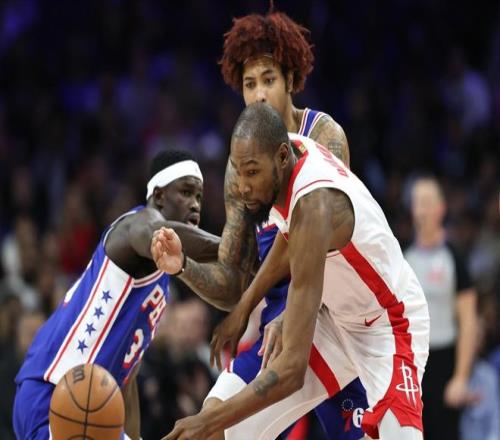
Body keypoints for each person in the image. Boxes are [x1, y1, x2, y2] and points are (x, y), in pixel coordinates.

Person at [157, 102, 430, 440]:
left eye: (251, 173)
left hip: (389, 326)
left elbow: (291, 371)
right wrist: (245, 306)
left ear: (282, 158)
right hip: (335, 319)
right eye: (238, 172)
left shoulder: (315, 207)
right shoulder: (288, 150)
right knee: (221, 426)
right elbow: (287, 239)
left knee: (212, 422)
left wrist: (206, 422)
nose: (243, 187)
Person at [175, 8, 367, 439]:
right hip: (279, 327)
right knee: (212, 426)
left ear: (291, 80)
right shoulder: (240, 165)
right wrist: (181, 265)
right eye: (249, 84)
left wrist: (286, 315)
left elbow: (321, 248)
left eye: (268, 80)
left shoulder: (324, 136)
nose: (259, 94)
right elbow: (231, 277)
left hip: (337, 315)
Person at [13, 149, 222, 440]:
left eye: (199, 196)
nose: (195, 204)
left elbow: (128, 375)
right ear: (159, 195)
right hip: (53, 394)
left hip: (92, 402)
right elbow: (159, 232)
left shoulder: (162, 282)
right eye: (186, 192)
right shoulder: (135, 224)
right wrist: (233, 247)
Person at [405, 177, 479, 440]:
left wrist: (461, 377)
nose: (422, 210)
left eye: (427, 203)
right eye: (417, 203)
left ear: (441, 209)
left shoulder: (454, 258)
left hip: (445, 364)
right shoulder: (403, 258)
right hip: (412, 365)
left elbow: (469, 322)